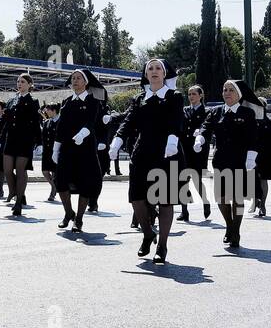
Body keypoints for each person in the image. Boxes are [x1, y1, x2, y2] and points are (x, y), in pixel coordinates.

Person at [111, 58, 186, 264]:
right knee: (137, 198)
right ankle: (147, 233)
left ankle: (162, 245)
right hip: (142, 153)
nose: (154, 71)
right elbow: (129, 121)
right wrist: (117, 140)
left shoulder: (174, 96)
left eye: (158, 68)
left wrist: (172, 140)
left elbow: (176, 120)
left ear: (164, 73)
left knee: (165, 201)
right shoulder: (139, 99)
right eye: (150, 68)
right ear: (146, 74)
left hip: (166, 154)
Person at [197, 80, 264, 249]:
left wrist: (251, 156)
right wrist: (201, 137)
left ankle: (236, 230)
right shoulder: (216, 111)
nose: (227, 92)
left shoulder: (247, 113)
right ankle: (229, 225)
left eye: (231, 90)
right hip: (220, 161)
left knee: (238, 198)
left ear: (238, 94)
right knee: (221, 197)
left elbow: (254, 136)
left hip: (240, 161)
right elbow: (206, 127)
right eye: (224, 89)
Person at [54, 68, 107, 233]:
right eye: (73, 78)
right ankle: (68, 212)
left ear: (85, 82)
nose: (75, 81)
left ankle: (79, 219)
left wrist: (83, 133)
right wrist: (56, 148)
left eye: (78, 78)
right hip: (67, 147)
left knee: (85, 183)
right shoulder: (67, 101)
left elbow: (91, 121)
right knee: (60, 180)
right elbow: (61, 126)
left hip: (85, 148)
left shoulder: (93, 101)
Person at [1, 73, 41, 217]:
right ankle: (14, 191)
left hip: (25, 140)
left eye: (23, 82)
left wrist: (39, 142)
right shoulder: (12, 100)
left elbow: (37, 122)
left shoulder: (33, 101)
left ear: (30, 84)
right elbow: (5, 121)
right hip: (10, 139)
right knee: (6, 169)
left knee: (20, 170)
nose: (19, 84)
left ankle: (18, 203)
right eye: (18, 81)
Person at [178, 84, 211, 221]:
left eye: (194, 94)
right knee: (182, 181)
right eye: (189, 94)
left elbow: (208, 129)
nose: (191, 97)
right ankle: (184, 211)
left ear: (200, 96)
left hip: (198, 151)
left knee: (196, 180)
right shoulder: (185, 110)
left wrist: (200, 134)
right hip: (185, 150)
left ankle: (205, 202)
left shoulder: (206, 112)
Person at [251, 115, 271, 217]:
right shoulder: (249, 119)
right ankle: (255, 201)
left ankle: (262, 205)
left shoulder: (270, 122)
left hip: (267, 156)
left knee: (263, 180)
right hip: (251, 155)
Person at [41, 103, 60, 203]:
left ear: (54, 110)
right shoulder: (46, 122)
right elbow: (43, 136)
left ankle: (52, 192)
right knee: (45, 171)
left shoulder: (61, 122)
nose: (46, 112)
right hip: (47, 151)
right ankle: (54, 186)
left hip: (57, 150)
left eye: (48, 110)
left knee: (55, 173)